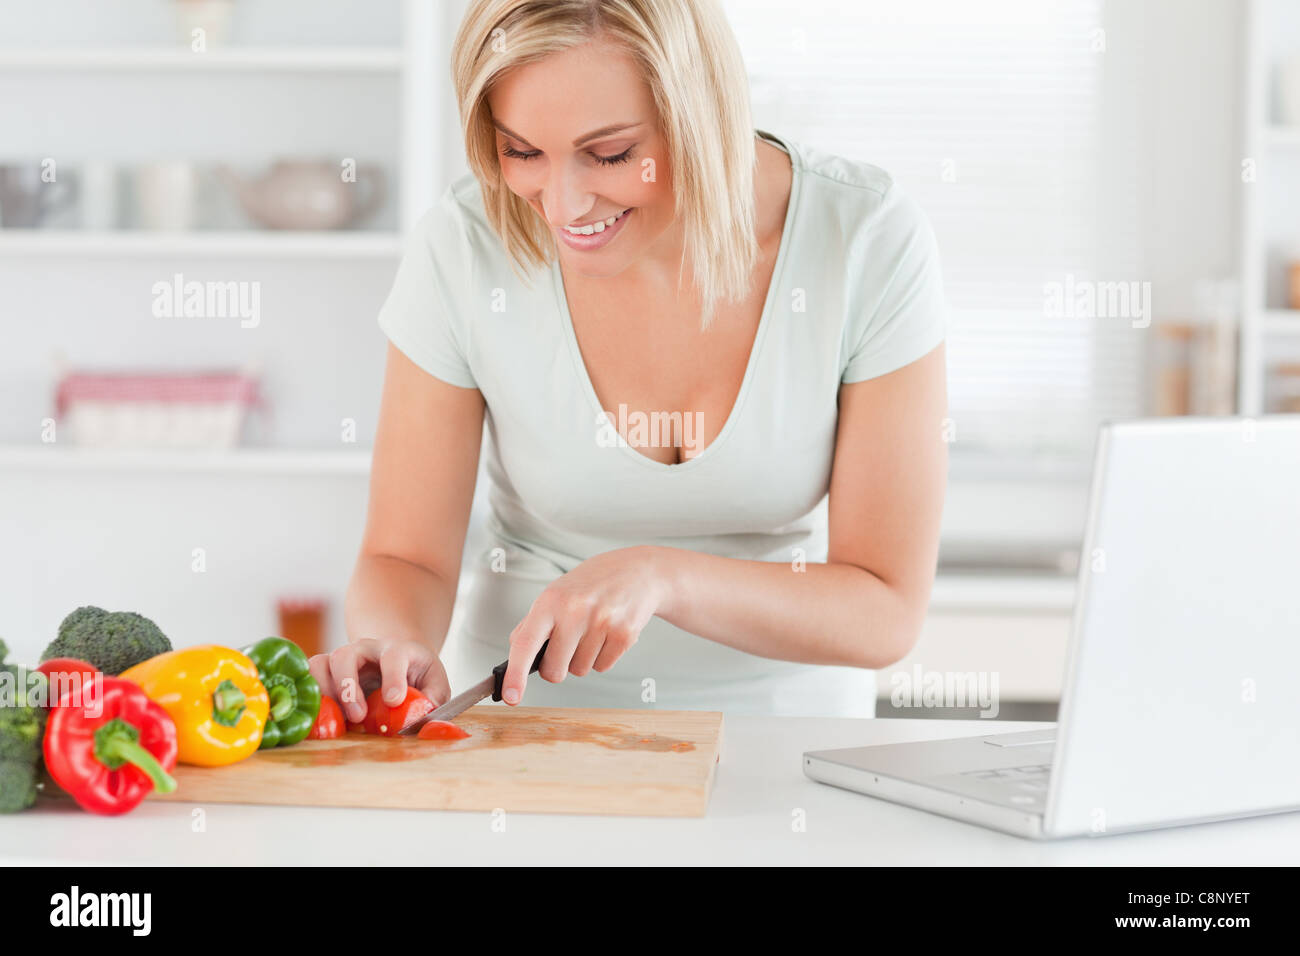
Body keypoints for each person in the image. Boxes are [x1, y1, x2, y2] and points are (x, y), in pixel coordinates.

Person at [308, 0, 949, 724]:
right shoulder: (463, 249)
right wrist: (391, 646)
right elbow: (406, 557)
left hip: (788, 743)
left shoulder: (863, 240)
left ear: (701, 114)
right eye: (522, 153)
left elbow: (884, 609)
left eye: (610, 154)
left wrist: (663, 577)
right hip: (529, 732)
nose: (563, 204)